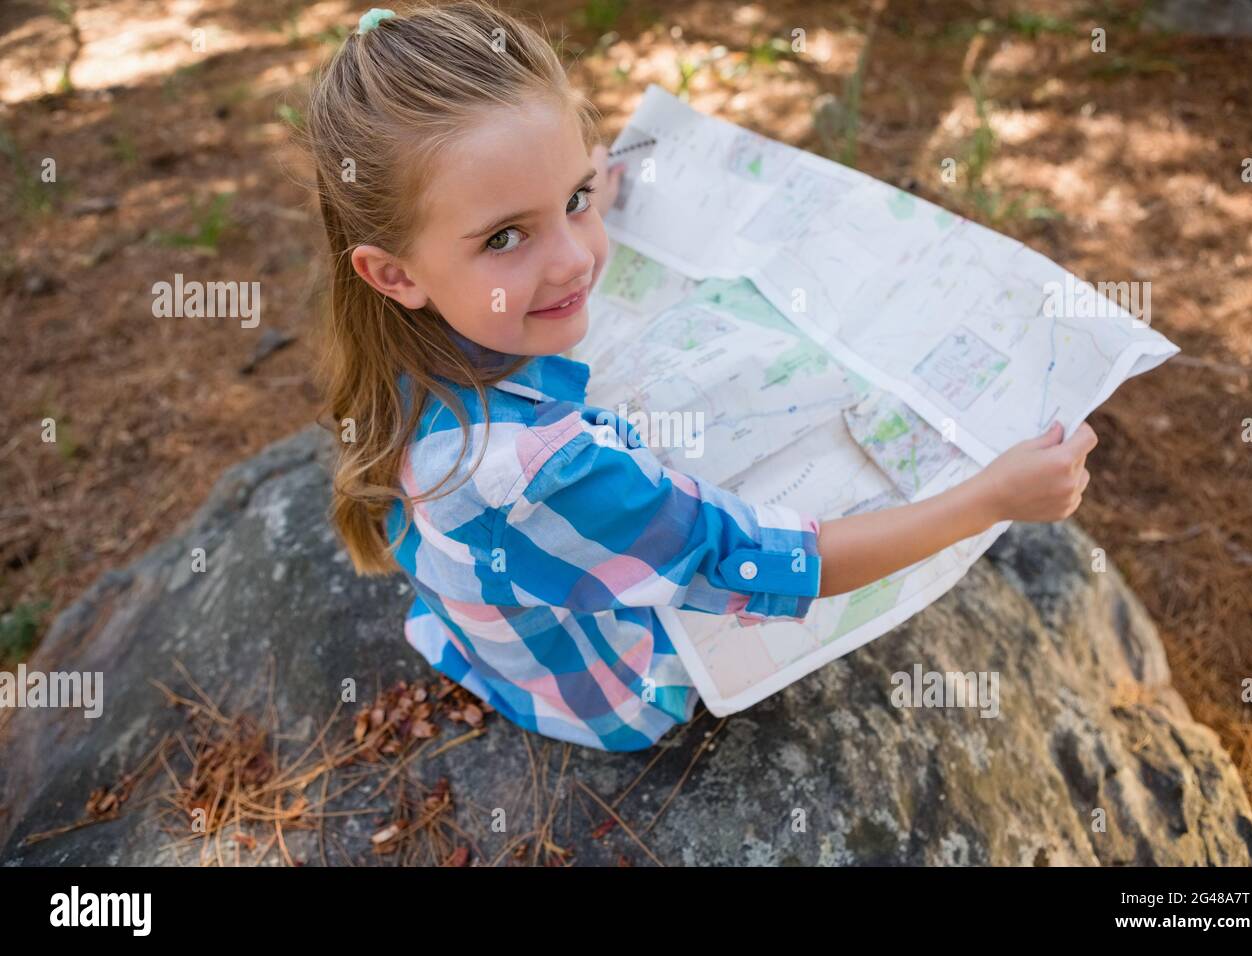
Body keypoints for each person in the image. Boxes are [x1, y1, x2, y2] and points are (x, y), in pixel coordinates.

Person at [301, 2, 1098, 751]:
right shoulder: (541, 473)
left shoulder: (404, 337)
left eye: (574, 196)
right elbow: (772, 562)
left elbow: (525, 234)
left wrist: (551, 206)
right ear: (393, 273)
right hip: (621, 689)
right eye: (507, 236)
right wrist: (991, 499)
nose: (576, 257)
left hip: (503, 618)